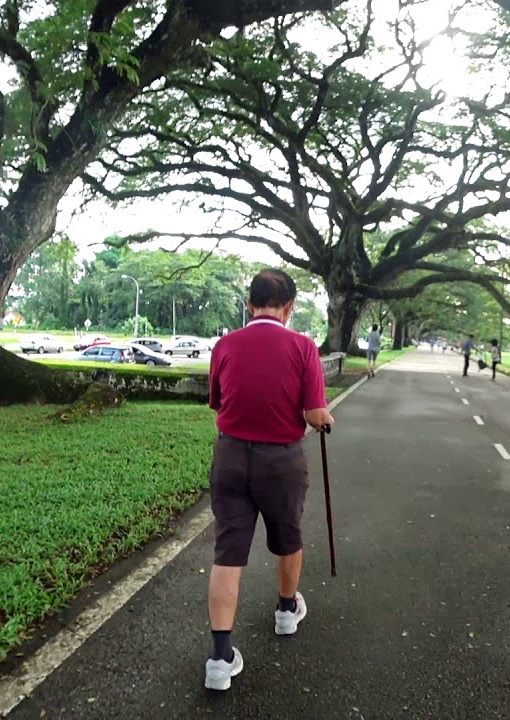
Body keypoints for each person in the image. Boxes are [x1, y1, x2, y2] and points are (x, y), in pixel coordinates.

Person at [203, 268, 335, 691]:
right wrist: (325, 418)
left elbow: (217, 403)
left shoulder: (225, 344)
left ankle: (220, 660)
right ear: (290, 307)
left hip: (230, 457)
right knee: (287, 536)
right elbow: (315, 415)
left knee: (228, 552)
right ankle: (284, 611)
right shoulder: (303, 347)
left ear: (249, 304)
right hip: (281, 461)